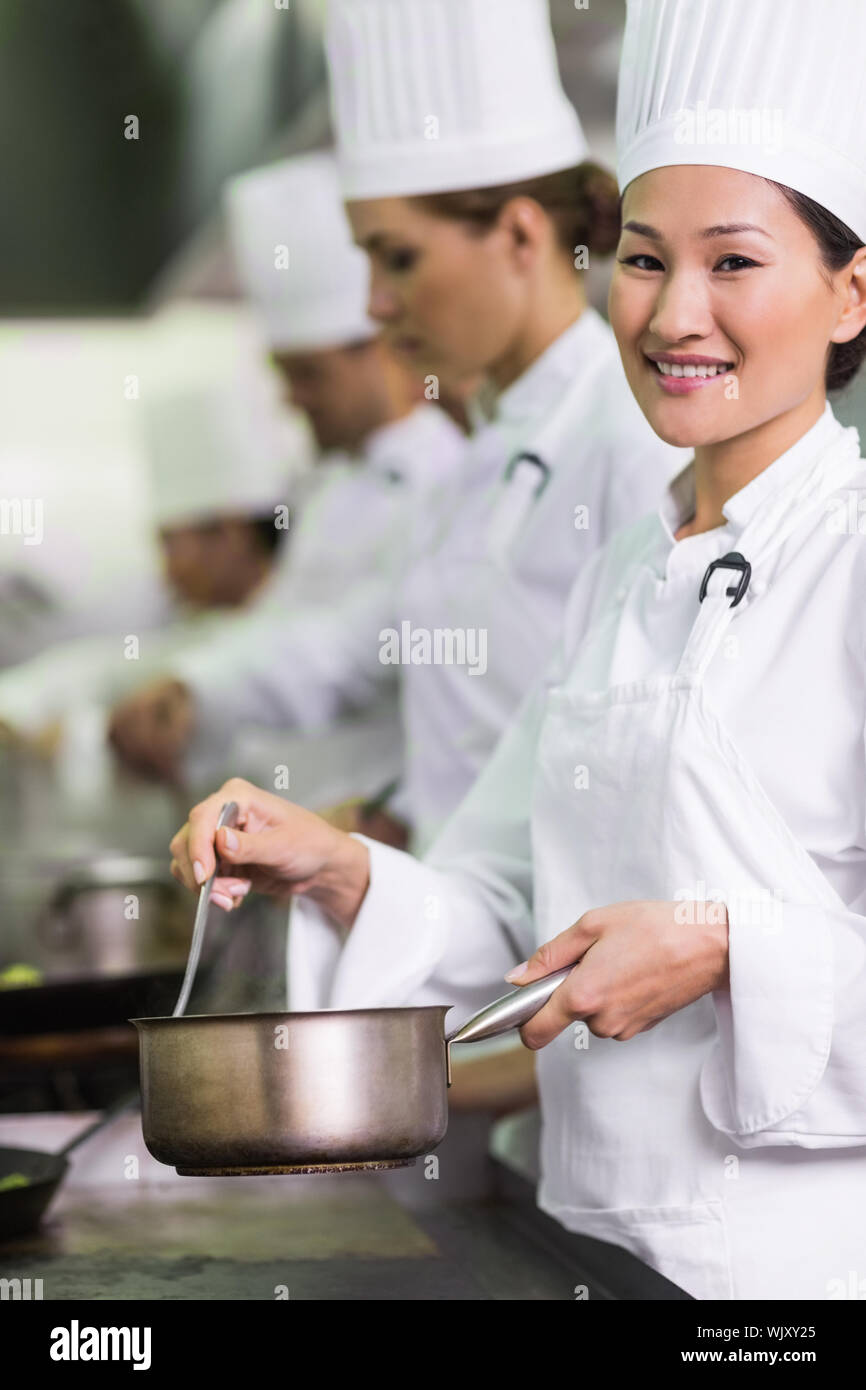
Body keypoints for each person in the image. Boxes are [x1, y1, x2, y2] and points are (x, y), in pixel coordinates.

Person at [171, 0, 866, 1299]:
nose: (671, 316)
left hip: (791, 1285)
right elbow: (499, 898)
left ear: (848, 290)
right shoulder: (628, 569)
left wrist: (725, 948)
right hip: (595, 1245)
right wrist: (333, 864)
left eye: (733, 263)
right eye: (646, 261)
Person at [167, 0, 685, 1172]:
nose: (375, 306)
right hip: (480, 994)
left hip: (590, 1051)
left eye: (396, 258)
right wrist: (373, 831)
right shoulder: (479, 458)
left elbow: (660, 828)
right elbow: (502, 737)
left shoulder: (634, 439)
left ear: (514, 233)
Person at [109, 151, 466, 784]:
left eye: (308, 375)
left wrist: (200, 688)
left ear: (380, 348)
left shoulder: (449, 479)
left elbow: (348, 652)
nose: (291, 398)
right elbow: (274, 636)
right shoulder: (329, 491)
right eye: (284, 375)